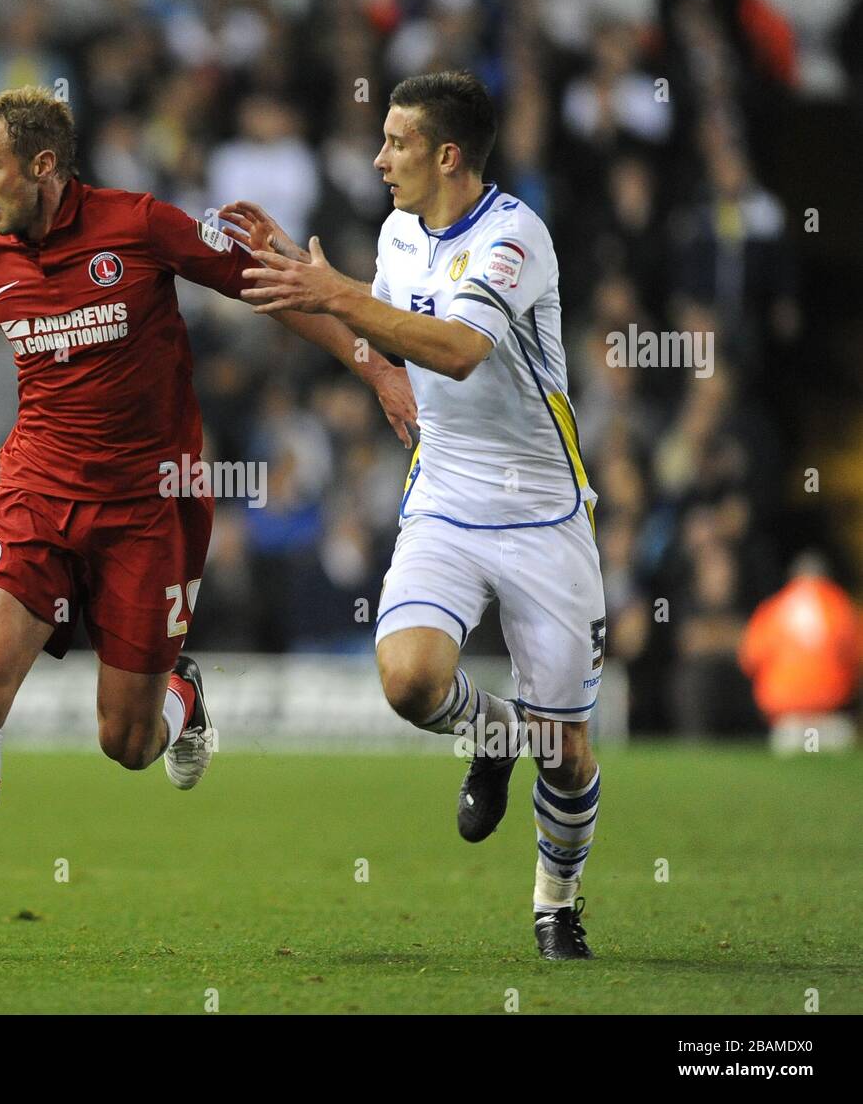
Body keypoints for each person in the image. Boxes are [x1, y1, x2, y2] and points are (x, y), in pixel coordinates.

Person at [0, 86, 416, 959]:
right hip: (36, 492)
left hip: (149, 506)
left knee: (125, 742)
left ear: (43, 165)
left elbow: (275, 287)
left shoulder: (141, 226)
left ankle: (179, 693)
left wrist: (374, 365)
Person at [226, 71, 605, 960]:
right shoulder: (400, 233)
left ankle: (557, 901)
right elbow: (392, 321)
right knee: (408, 681)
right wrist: (315, 285)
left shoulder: (515, 238)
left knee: (570, 753)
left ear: (447, 155)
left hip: (544, 514)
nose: (377, 156)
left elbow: (460, 348)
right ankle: (495, 732)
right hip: (443, 496)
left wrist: (335, 294)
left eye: (395, 142)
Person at [739, 553, 860, 755]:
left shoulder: (773, 607)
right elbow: (856, 658)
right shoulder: (841, 605)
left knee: (793, 754)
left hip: (789, 723)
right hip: (831, 721)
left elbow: (749, 660)